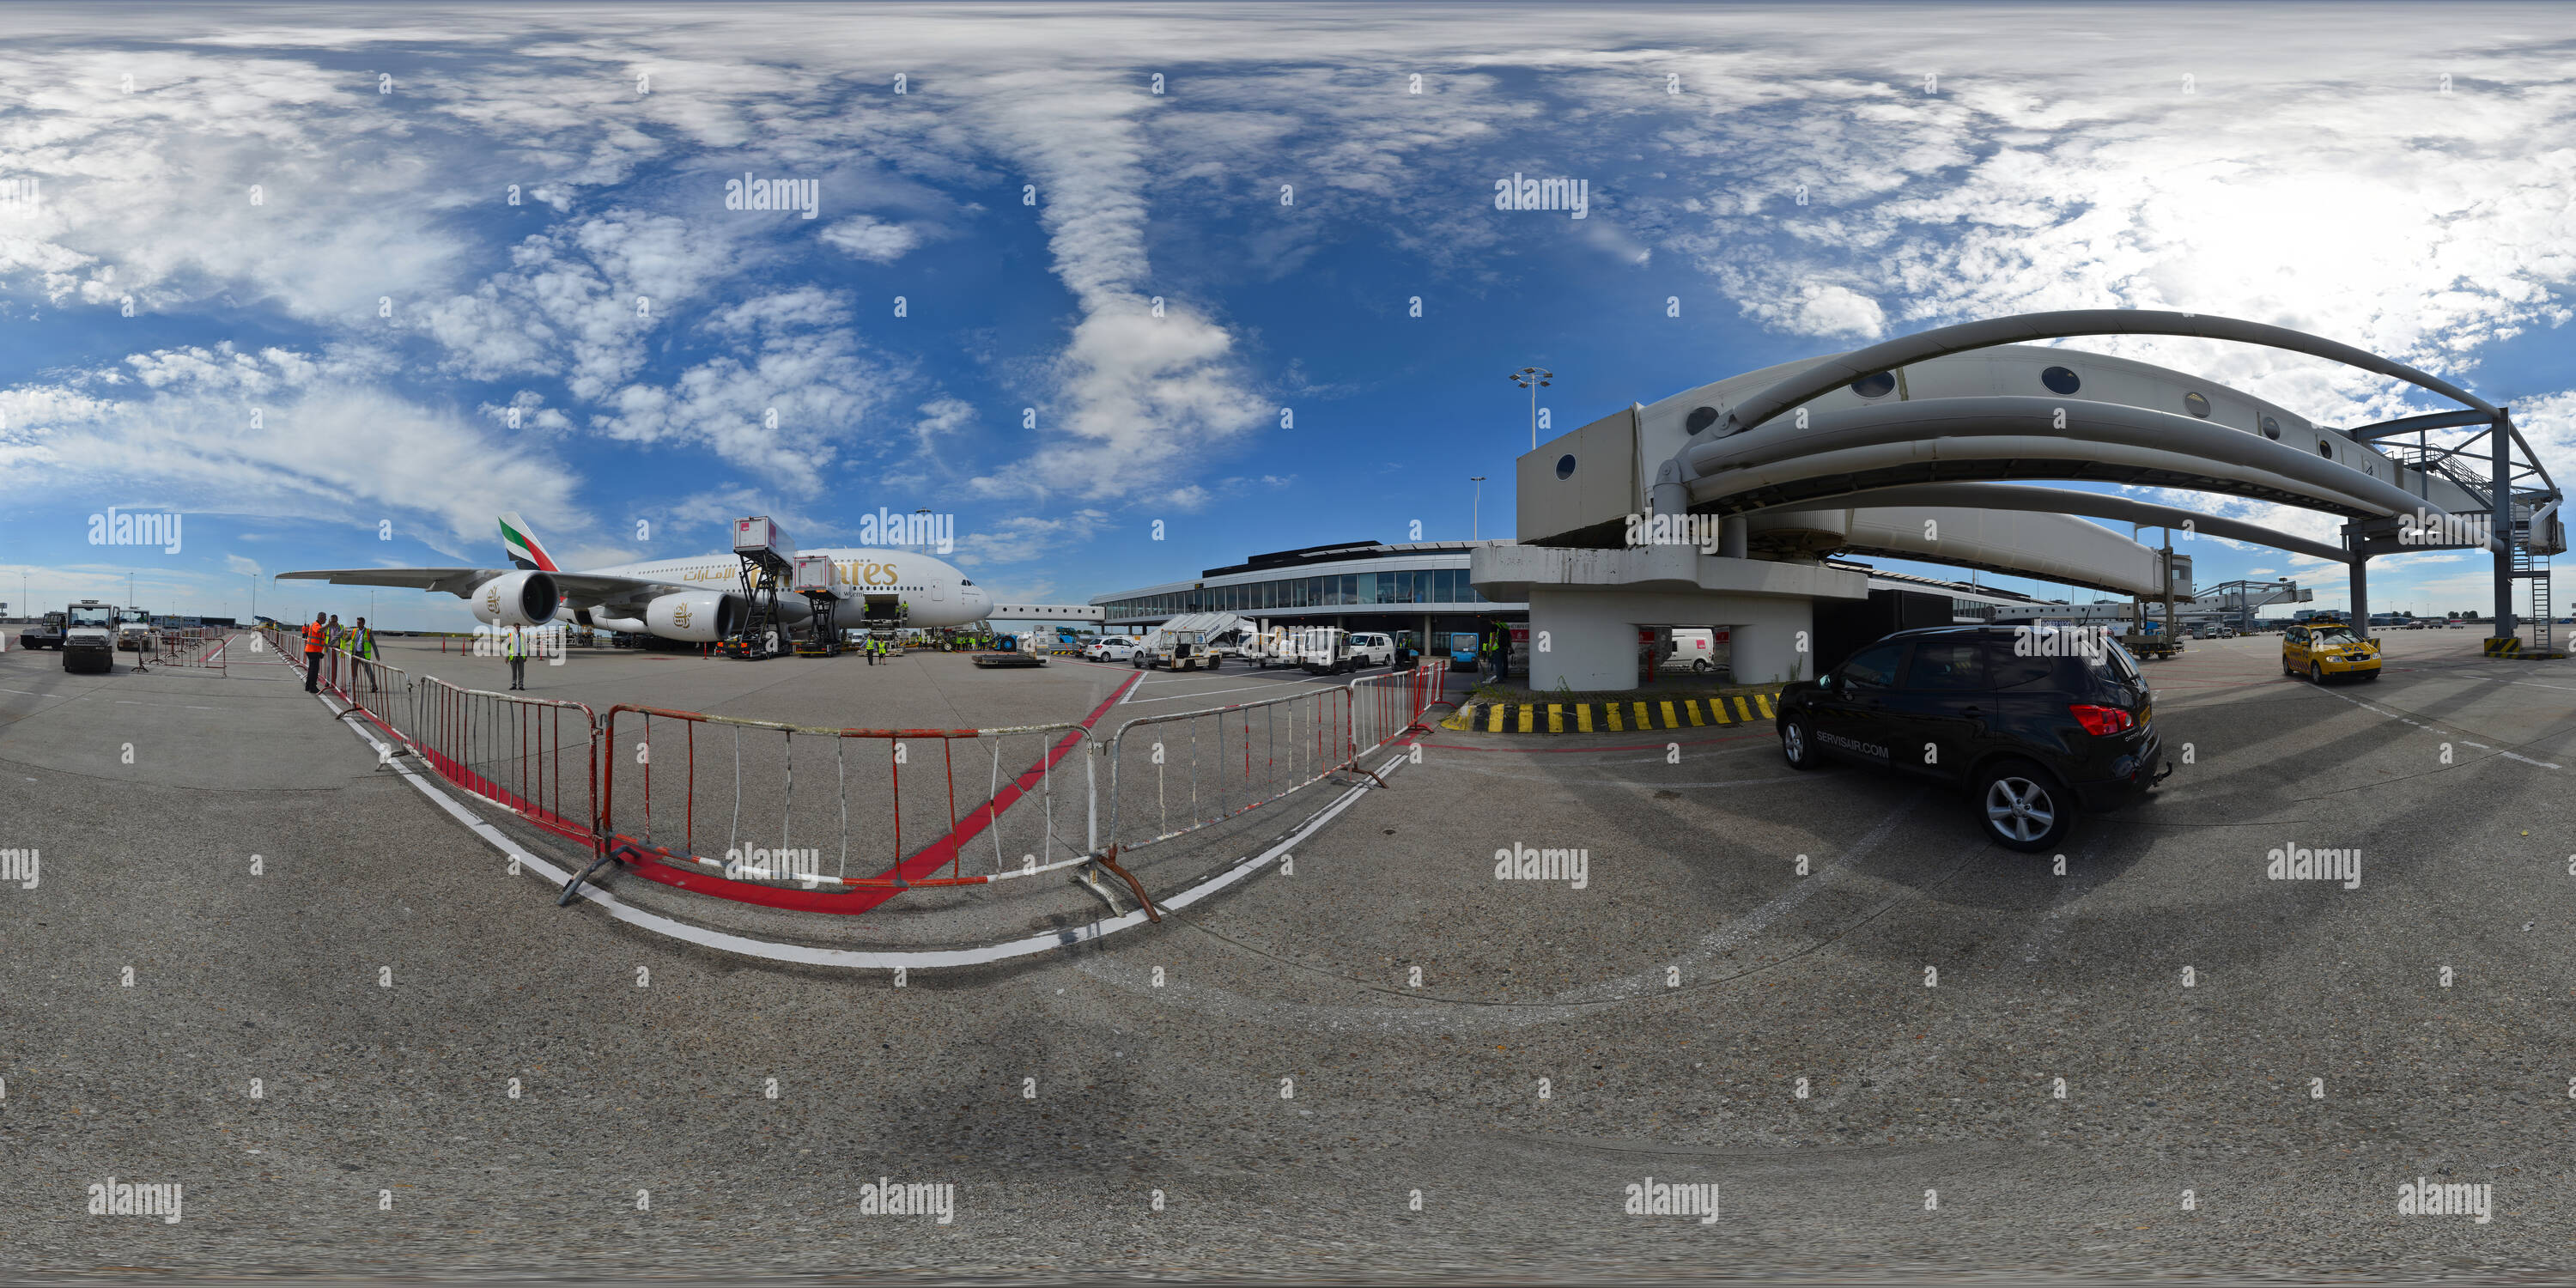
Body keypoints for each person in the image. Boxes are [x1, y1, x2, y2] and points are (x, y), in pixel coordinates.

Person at [301, 612, 327, 691]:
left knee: (312, 669)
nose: (326, 620)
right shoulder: (316, 625)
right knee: (314, 670)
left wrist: (320, 652)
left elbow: (319, 640)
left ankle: (308, 686)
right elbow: (319, 631)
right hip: (312, 651)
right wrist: (329, 625)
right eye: (325, 618)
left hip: (314, 651)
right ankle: (312, 687)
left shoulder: (317, 625)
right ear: (320, 618)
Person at [503, 623, 527, 690]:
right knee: (514, 672)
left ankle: (521, 685)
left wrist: (525, 656)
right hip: (513, 656)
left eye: (519, 628)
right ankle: (514, 685)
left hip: (520, 656)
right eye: (517, 627)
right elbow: (507, 647)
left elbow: (525, 646)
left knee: (521, 672)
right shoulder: (510, 636)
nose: (518, 629)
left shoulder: (522, 635)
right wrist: (506, 657)